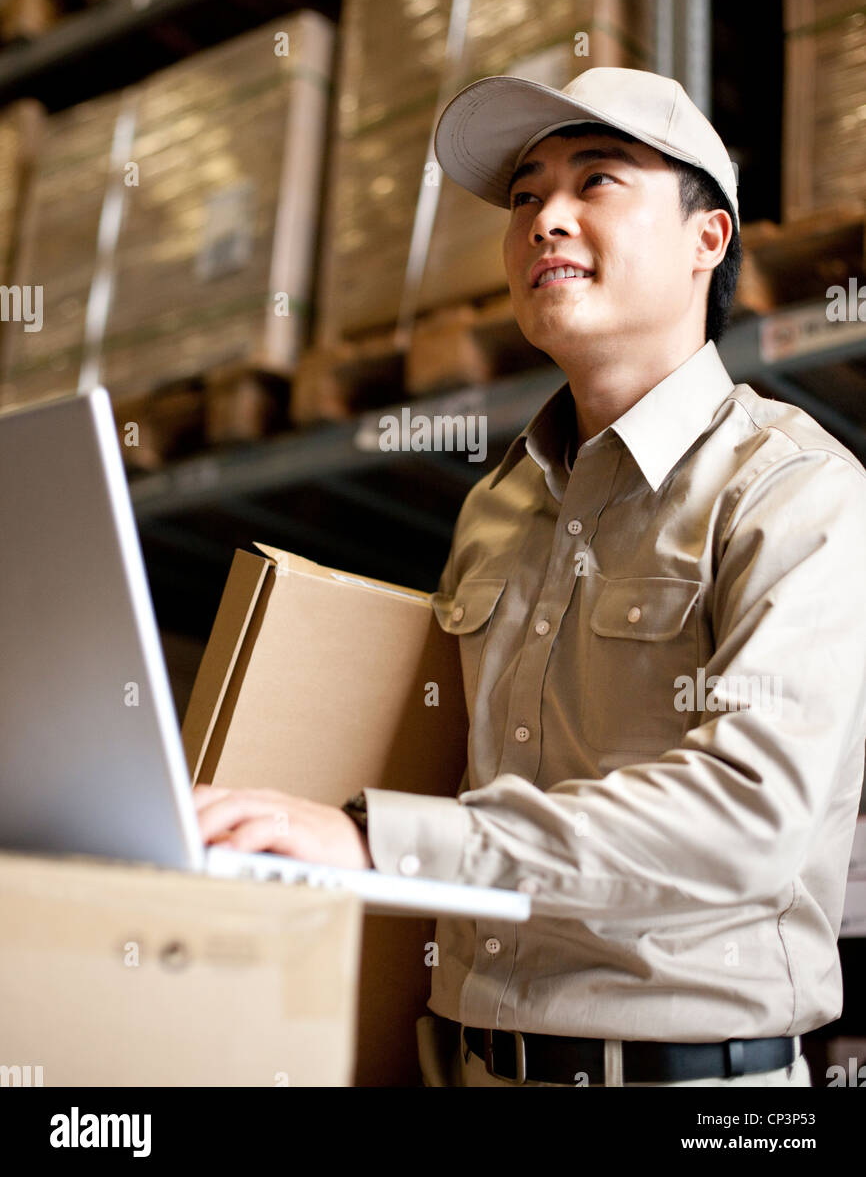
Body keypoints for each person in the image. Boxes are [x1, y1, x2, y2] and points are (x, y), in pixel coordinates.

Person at [194, 66, 866, 1088]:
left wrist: (377, 841)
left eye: (594, 181)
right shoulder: (498, 506)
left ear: (706, 239)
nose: (544, 217)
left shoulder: (791, 490)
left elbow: (749, 813)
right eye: (522, 195)